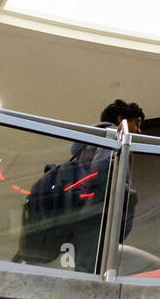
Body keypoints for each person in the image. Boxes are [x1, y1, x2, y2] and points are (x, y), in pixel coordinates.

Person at [17, 99, 144, 271]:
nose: (139, 130)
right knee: (92, 270)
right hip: (93, 214)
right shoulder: (114, 135)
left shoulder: (86, 143)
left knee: (85, 268)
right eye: (137, 123)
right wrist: (124, 197)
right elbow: (104, 171)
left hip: (77, 211)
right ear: (121, 119)